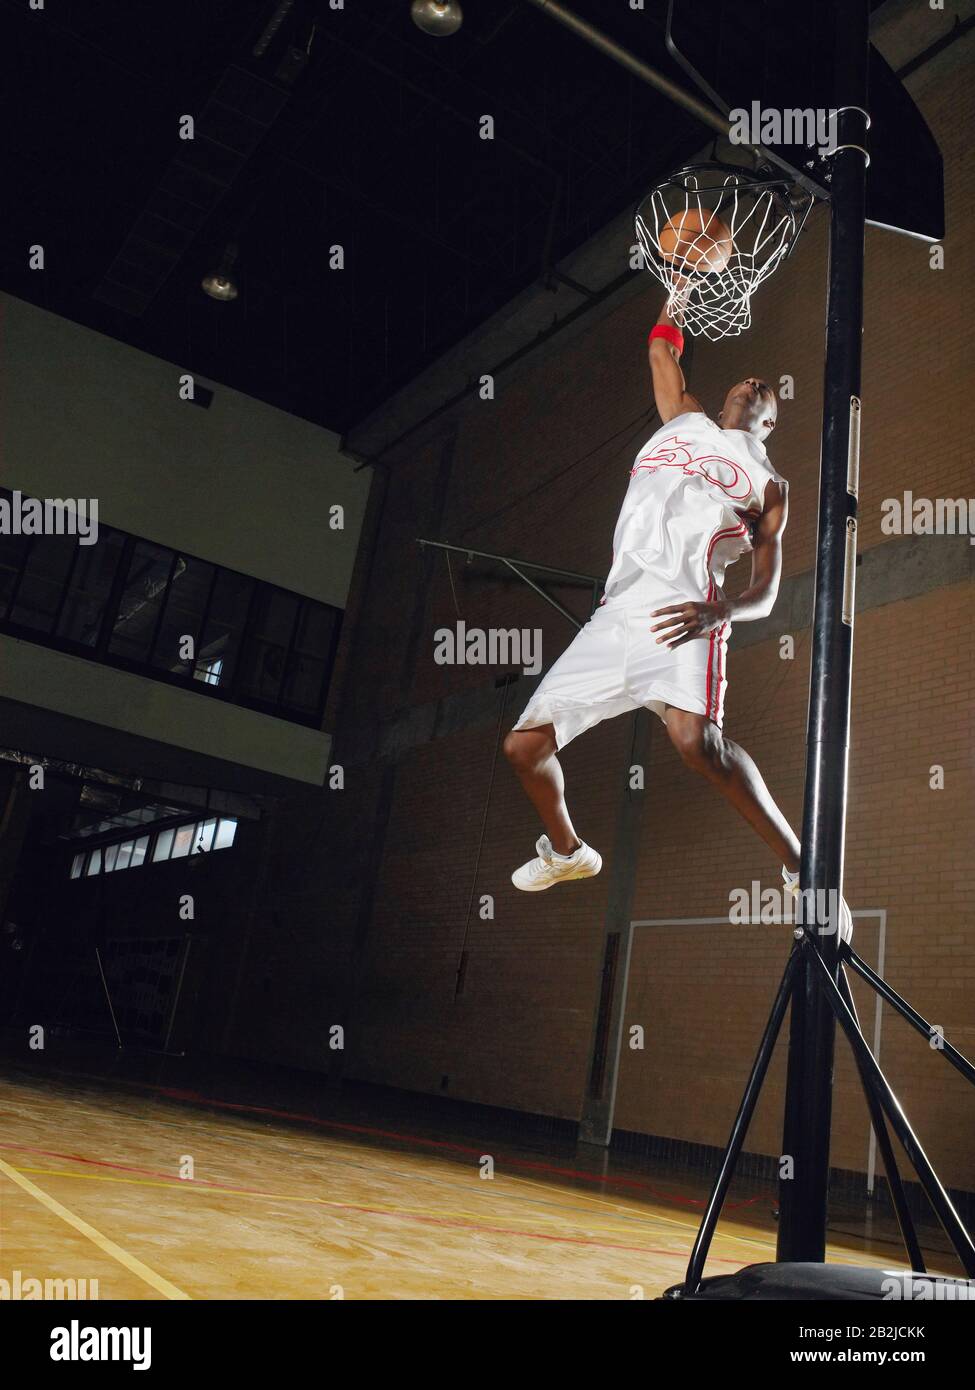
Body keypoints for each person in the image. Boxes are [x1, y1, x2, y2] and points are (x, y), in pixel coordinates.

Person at [503, 288, 850, 940]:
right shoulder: (683, 419)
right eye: (747, 380)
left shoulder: (767, 483)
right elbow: (662, 348)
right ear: (721, 401)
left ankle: (802, 870)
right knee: (522, 748)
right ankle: (569, 852)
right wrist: (679, 292)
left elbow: (766, 589)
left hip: (684, 610)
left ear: (768, 420)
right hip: (615, 613)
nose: (754, 384)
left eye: (767, 389)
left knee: (696, 743)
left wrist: (720, 612)